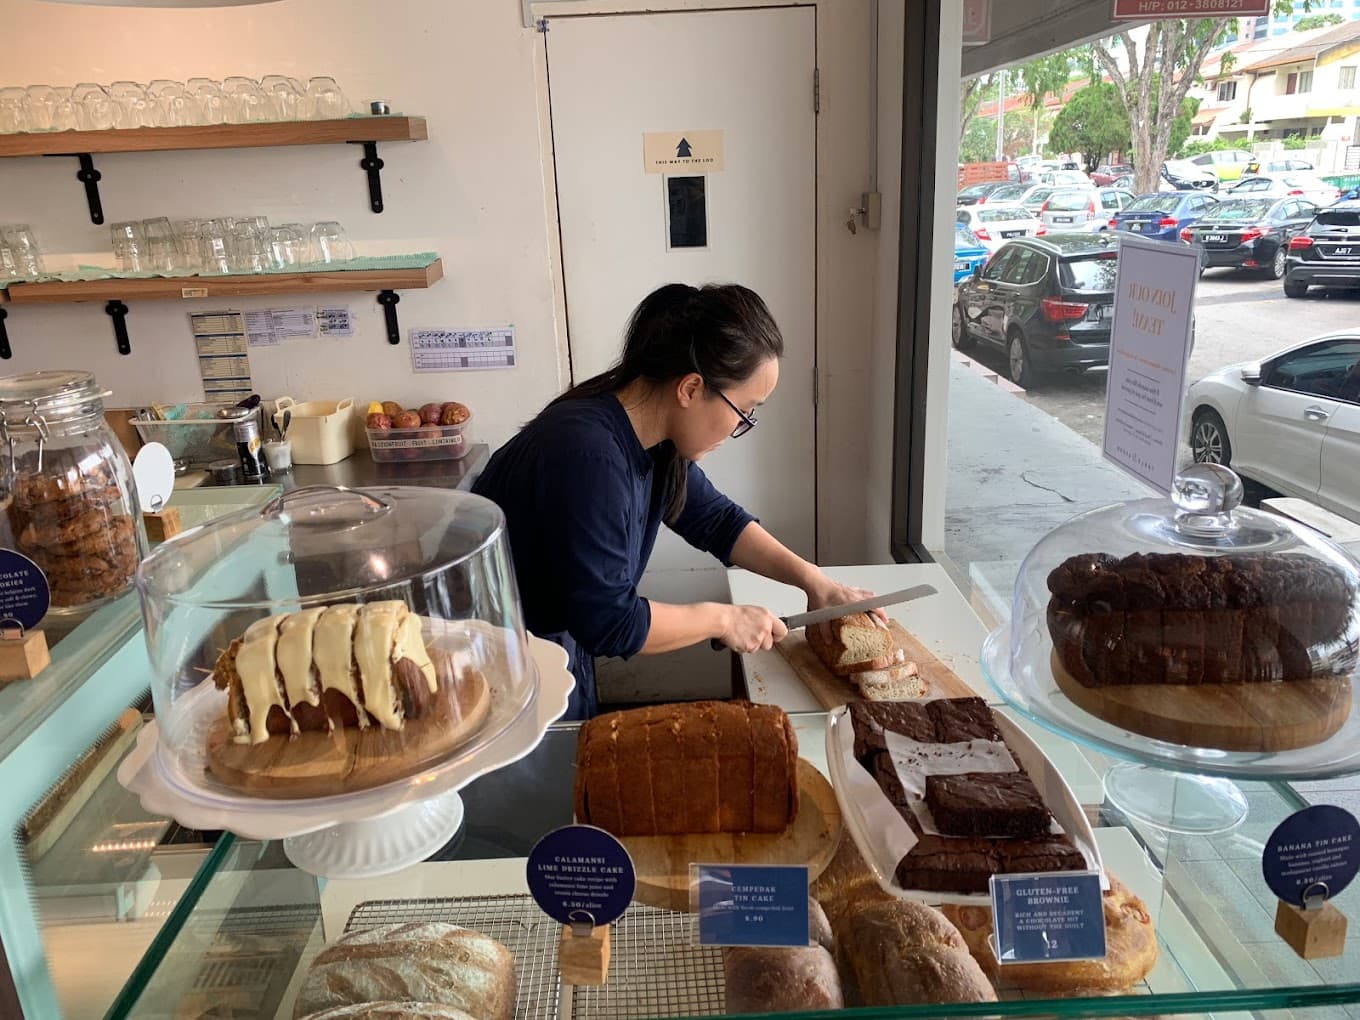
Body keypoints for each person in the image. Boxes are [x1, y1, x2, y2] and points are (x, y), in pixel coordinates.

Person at [472, 282, 878, 718]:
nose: (741, 426)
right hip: (497, 662)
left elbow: (717, 521)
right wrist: (724, 620)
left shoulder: (652, 438)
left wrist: (815, 582)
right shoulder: (588, 453)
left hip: (548, 641)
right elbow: (611, 623)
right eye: (744, 411)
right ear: (690, 388)